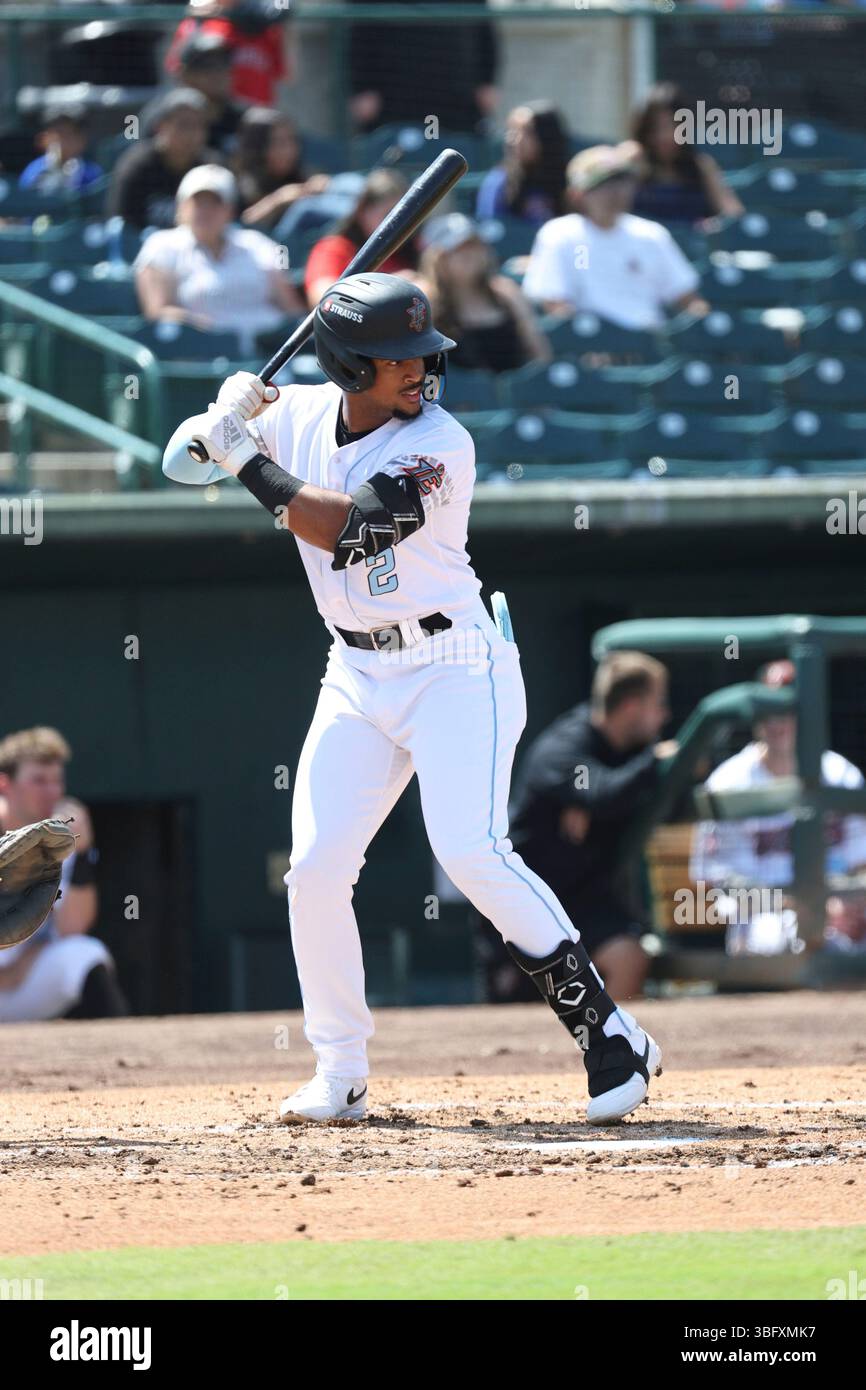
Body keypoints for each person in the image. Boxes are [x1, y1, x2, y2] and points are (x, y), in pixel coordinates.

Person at [166, 272, 663, 1127]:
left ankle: (609, 1032)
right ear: (350, 366)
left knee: (469, 849)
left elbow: (348, 531)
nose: (418, 372)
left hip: (453, 663)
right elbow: (178, 466)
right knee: (316, 870)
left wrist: (242, 451)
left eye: (421, 357)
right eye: (396, 361)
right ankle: (341, 1071)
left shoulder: (443, 443)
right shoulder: (299, 413)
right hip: (357, 672)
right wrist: (224, 412)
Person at [477, 651, 676, 1004]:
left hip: (586, 906)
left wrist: (593, 803)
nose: (665, 715)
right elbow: (604, 792)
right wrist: (654, 762)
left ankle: (605, 1042)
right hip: (530, 906)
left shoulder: (625, 750)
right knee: (523, 1005)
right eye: (657, 704)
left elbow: (610, 794)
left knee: (627, 956)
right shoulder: (562, 747)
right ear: (631, 706)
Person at [691, 659, 866, 955]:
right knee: (778, 938)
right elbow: (717, 882)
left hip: (838, 910)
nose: (777, 721)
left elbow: (861, 863)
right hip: (764, 919)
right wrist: (805, 904)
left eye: (788, 710)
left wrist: (850, 903)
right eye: (769, 710)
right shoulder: (729, 782)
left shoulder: (841, 774)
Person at [0, 727, 126, 1023]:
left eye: (57, 780)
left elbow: (72, 928)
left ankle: (126, 1058)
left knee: (83, 953)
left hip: (21, 983)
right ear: (5, 784)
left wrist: (82, 853)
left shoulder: (60, 835)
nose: (52, 791)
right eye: (39, 781)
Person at [522, 143, 708, 329]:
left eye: (622, 181)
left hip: (650, 343)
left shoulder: (651, 234)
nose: (615, 192)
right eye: (602, 184)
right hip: (591, 345)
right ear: (577, 195)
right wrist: (587, 340)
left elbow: (688, 299)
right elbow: (554, 303)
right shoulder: (560, 234)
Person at [134, 164, 303, 354]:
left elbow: (291, 309)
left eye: (215, 202)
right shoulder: (160, 245)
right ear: (181, 207)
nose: (205, 210)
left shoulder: (259, 244)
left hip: (270, 352)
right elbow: (157, 312)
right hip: (201, 354)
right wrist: (209, 331)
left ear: (230, 210)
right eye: (198, 201)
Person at [416, 213, 550, 373]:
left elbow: (540, 354)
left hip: (513, 391)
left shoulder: (506, 292)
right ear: (437, 257)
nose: (470, 254)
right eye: (458, 248)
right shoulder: (423, 300)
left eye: (474, 245)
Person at [347, 0, 498, 134]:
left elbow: (484, 26)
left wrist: (487, 80)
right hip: (394, 95)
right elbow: (356, 28)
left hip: (456, 92)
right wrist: (361, 87)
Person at [629, 83, 745, 226]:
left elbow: (733, 214)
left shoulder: (701, 166)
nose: (665, 136)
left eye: (673, 126)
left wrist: (715, 225)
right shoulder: (632, 167)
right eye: (655, 128)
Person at [108, 89, 222, 231]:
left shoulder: (211, 169)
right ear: (161, 126)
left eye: (199, 125)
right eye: (184, 125)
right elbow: (124, 227)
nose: (192, 134)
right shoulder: (138, 166)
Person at [303, 170, 417, 307]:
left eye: (405, 217)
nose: (400, 224)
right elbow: (323, 299)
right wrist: (390, 287)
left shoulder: (412, 249)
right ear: (363, 212)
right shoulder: (335, 248)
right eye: (389, 215)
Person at [165, 0, 291, 108]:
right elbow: (178, 71)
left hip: (257, 118)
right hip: (212, 118)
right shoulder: (197, 23)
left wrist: (284, 20)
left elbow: (287, 75)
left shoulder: (268, 27)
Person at [235, 107, 330, 231]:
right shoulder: (237, 186)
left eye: (292, 140)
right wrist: (278, 200)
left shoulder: (299, 176)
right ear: (258, 148)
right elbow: (240, 225)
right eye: (279, 143)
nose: (289, 150)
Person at [476, 101, 570, 227]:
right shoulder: (499, 181)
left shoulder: (569, 184)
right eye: (511, 130)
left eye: (527, 132)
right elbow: (490, 230)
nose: (513, 139)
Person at [174, 28, 249, 156]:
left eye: (224, 64)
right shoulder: (166, 119)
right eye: (208, 66)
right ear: (185, 74)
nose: (218, 73)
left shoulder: (245, 119)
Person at [18, 103, 104, 196]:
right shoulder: (34, 171)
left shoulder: (92, 174)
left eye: (68, 135)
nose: (61, 141)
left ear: (81, 140)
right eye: (56, 134)